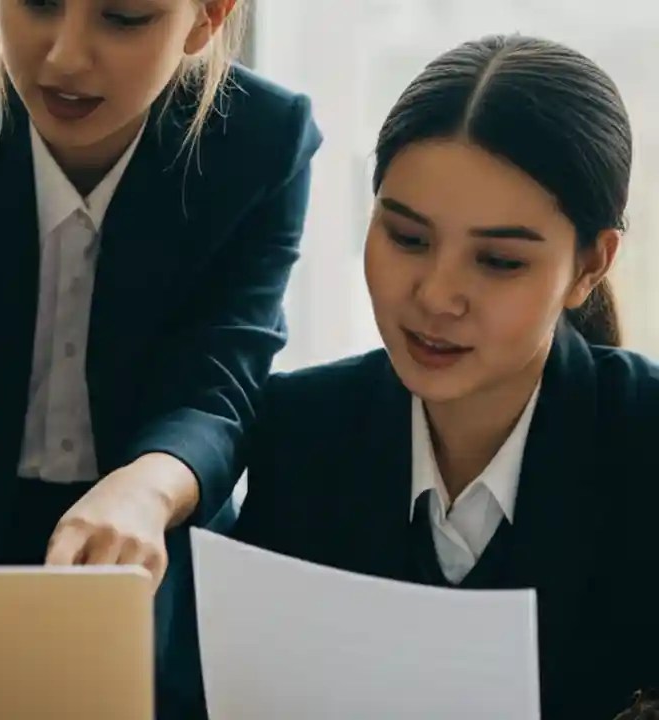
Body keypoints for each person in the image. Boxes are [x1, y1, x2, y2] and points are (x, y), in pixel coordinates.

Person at [173, 34, 657, 719]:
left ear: (590, 266)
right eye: (407, 238)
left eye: (498, 261)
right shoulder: (303, 431)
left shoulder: (643, 439)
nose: (436, 295)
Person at [0, 0, 320, 585]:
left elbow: (218, 384)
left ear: (207, 18)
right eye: (38, 4)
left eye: (123, 18)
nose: (64, 57)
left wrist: (147, 490)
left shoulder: (264, 143)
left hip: (152, 536)